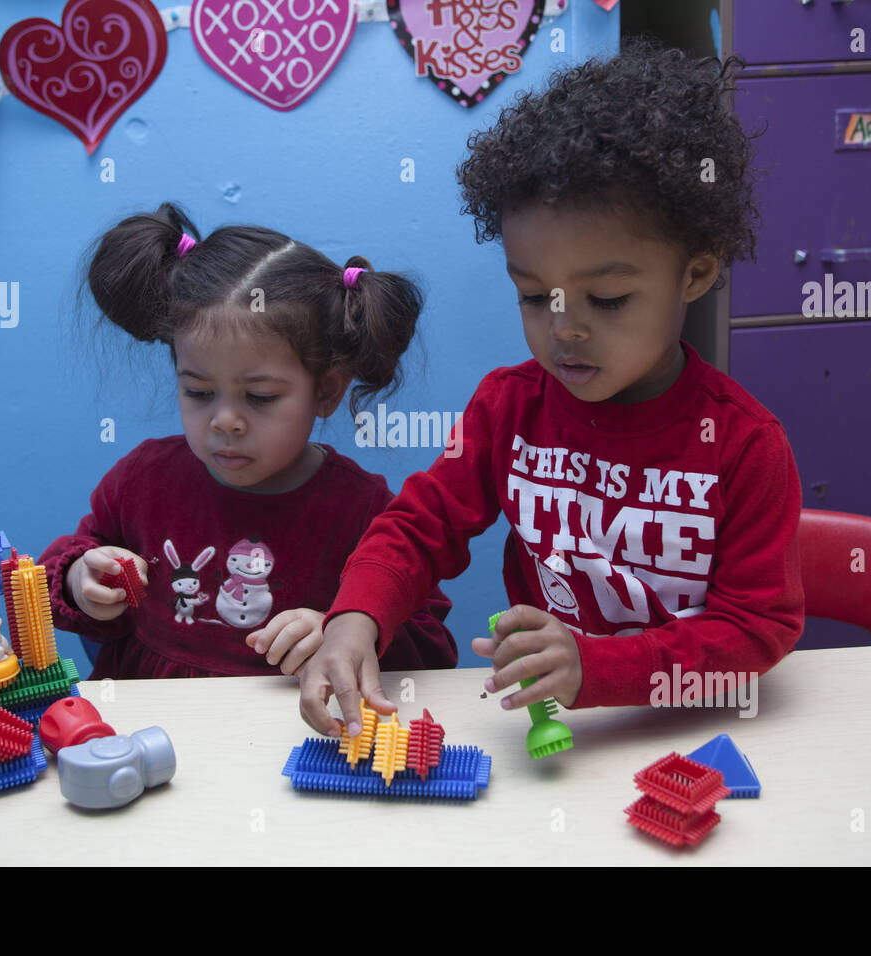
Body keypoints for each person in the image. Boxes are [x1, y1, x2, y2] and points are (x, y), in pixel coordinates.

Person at [300, 40, 804, 737]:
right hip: (558, 737)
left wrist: (600, 665)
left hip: (697, 731)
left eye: (608, 299)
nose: (565, 329)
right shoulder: (509, 409)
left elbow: (754, 631)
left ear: (694, 273)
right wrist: (354, 621)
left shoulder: (745, 445)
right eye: (535, 297)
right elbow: (419, 528)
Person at [39, 202, 456, 680]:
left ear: (326, 390)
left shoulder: (364, 512)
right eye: (198, 391)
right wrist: (79, 579)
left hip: (293, 740)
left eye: (259, 397)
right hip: (145, 733)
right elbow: (60, 568)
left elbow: (433, 645)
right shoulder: (141, 481)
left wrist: (346, 632)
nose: (226, 421)